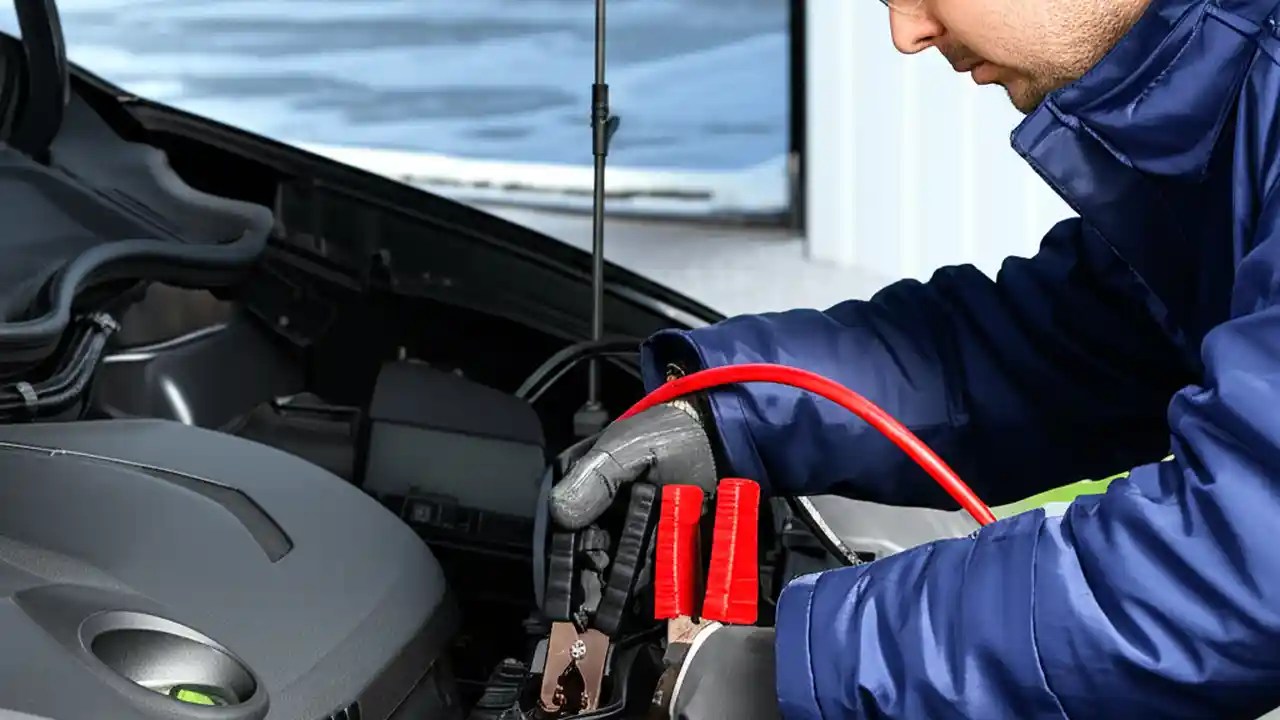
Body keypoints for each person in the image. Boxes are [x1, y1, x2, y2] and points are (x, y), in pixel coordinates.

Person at [547, 0, 1280, 715]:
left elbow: (1241, 566)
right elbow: (1076, 345)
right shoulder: (1236, 107)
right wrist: (732, 415)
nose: (908, 32)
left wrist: (812, 667)